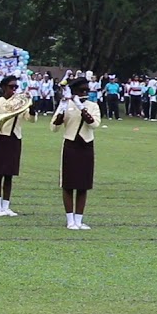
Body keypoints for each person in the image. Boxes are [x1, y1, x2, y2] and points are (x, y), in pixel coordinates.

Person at [53, 77, 101, 230]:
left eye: (87, 90)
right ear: (74, 91)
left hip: (86, 145)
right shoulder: (66, 105)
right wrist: (62, 108)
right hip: (70, 145)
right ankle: (69, 220)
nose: (85, 93)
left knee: (83, 184)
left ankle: (79, 220)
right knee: (68, 184)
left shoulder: (92, 106)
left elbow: (94, 124)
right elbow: (54, 127)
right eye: (81, 91)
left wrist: (82, 107)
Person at [0, 75, 26, 217]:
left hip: (15, 138)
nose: (14, 90)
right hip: (1, 138)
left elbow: (30, 118)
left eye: (16, 87)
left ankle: (6, 206)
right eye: (11, 87)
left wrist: (31, 107)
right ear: (3, 88)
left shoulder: (20, 102)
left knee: (10, 174)